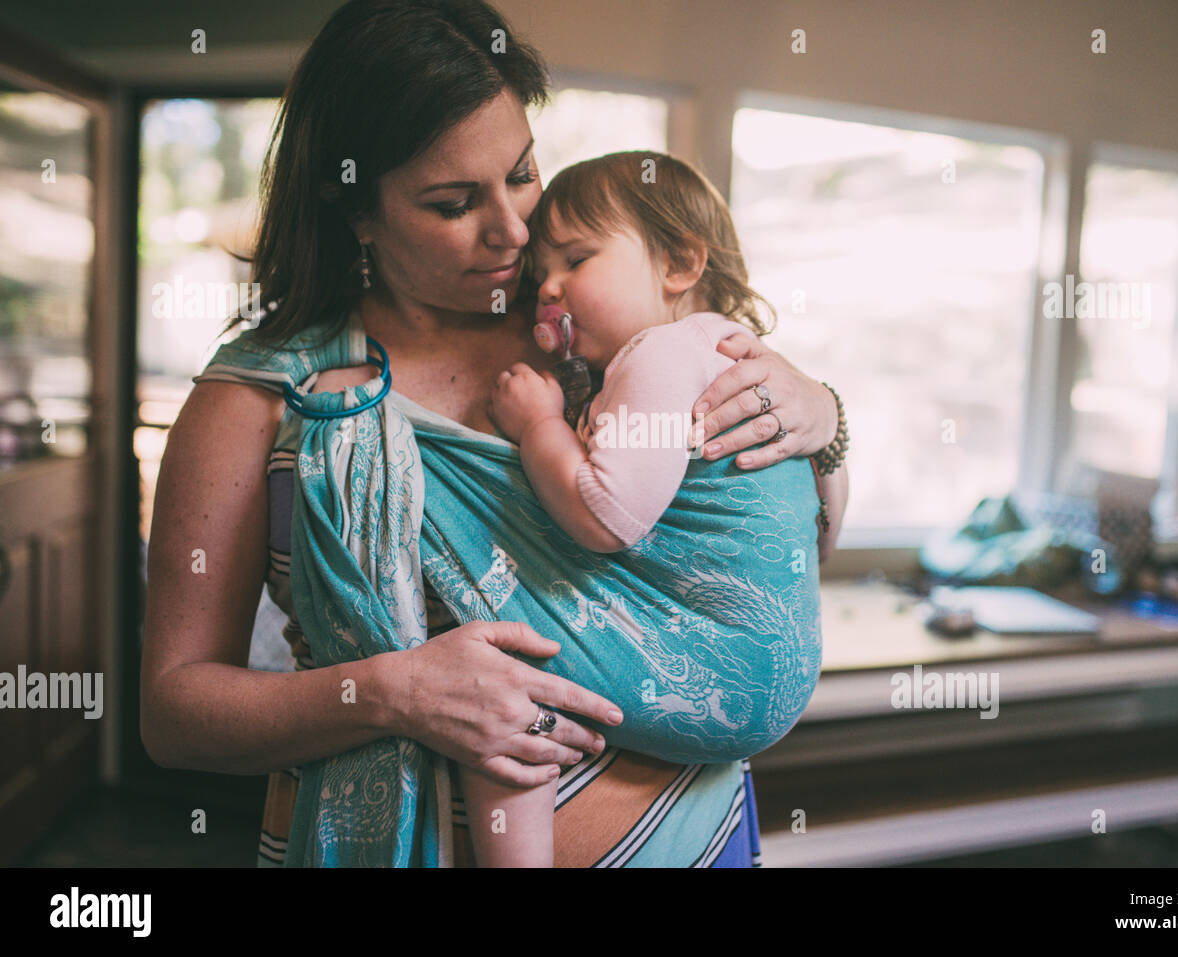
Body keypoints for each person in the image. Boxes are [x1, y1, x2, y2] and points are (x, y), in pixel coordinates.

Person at [140, 0, 850, 867]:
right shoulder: (256, 397)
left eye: (521, 173)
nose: (514, 230)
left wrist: (827, 417)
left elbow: (767, 552)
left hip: (702, 839)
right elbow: (174, 713)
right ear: (356, 208)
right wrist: (392, 693)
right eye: (453, 201)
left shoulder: (596, 325)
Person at [462, 150, 829, 866]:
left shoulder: (657, 355)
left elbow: (604, 515)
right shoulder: (725, 350)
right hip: (773, 668)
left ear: (679, 263)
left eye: (576, 258)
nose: (550, 286)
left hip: (726, 668)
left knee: (499, 679)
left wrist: (539, 424)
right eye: (542, 274)